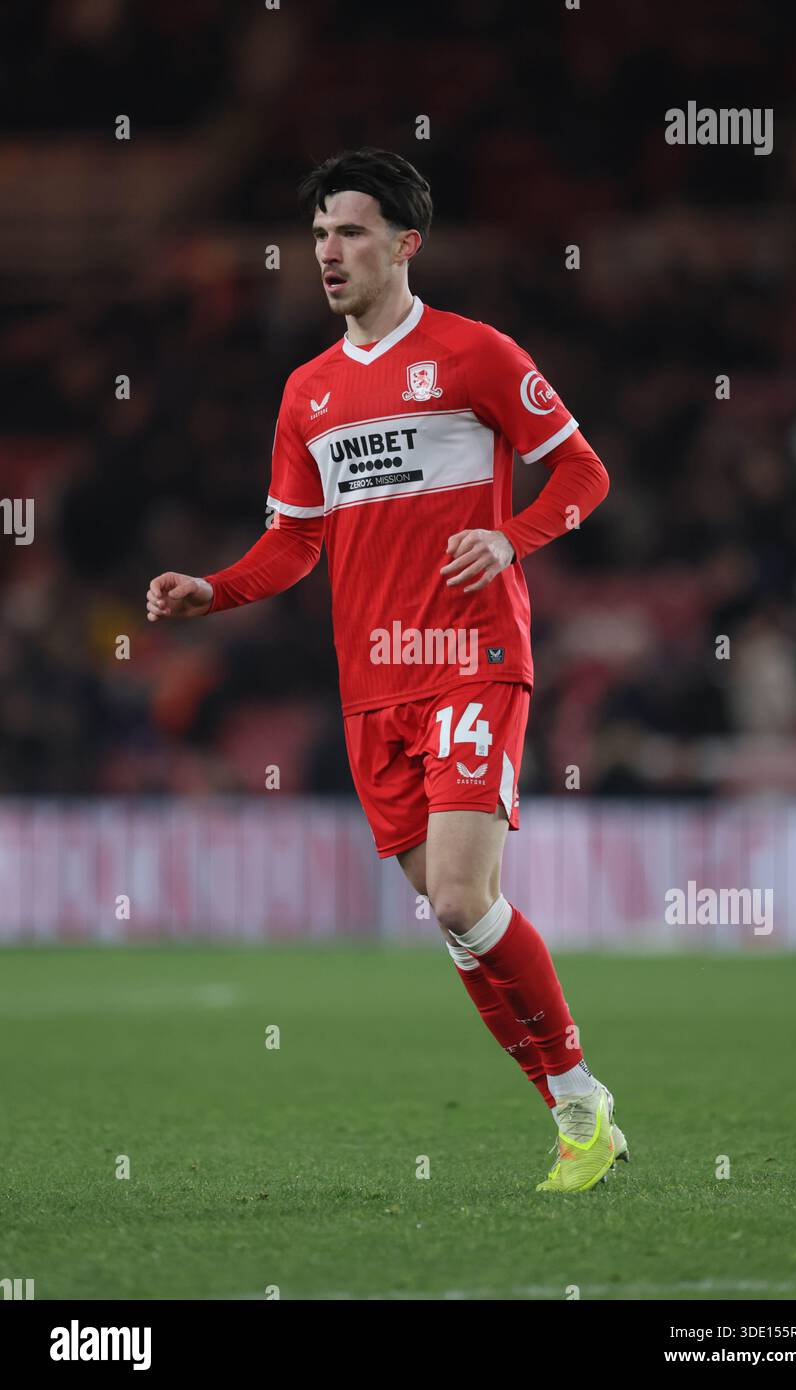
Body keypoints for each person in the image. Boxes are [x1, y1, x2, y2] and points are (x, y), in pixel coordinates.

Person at [146, 147, 628, 1193]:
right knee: (459, 925)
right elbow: (295, 543)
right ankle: (576, 1107)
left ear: (406, 243)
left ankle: (580, 1100)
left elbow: (583, 470)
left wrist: (512, 536)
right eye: (319, 234)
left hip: (470, 658)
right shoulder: (308, 393)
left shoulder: (473, 353)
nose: (329, 252)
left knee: (457, 900)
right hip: (373, 686)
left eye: (351, 232)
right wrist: (211, 590)